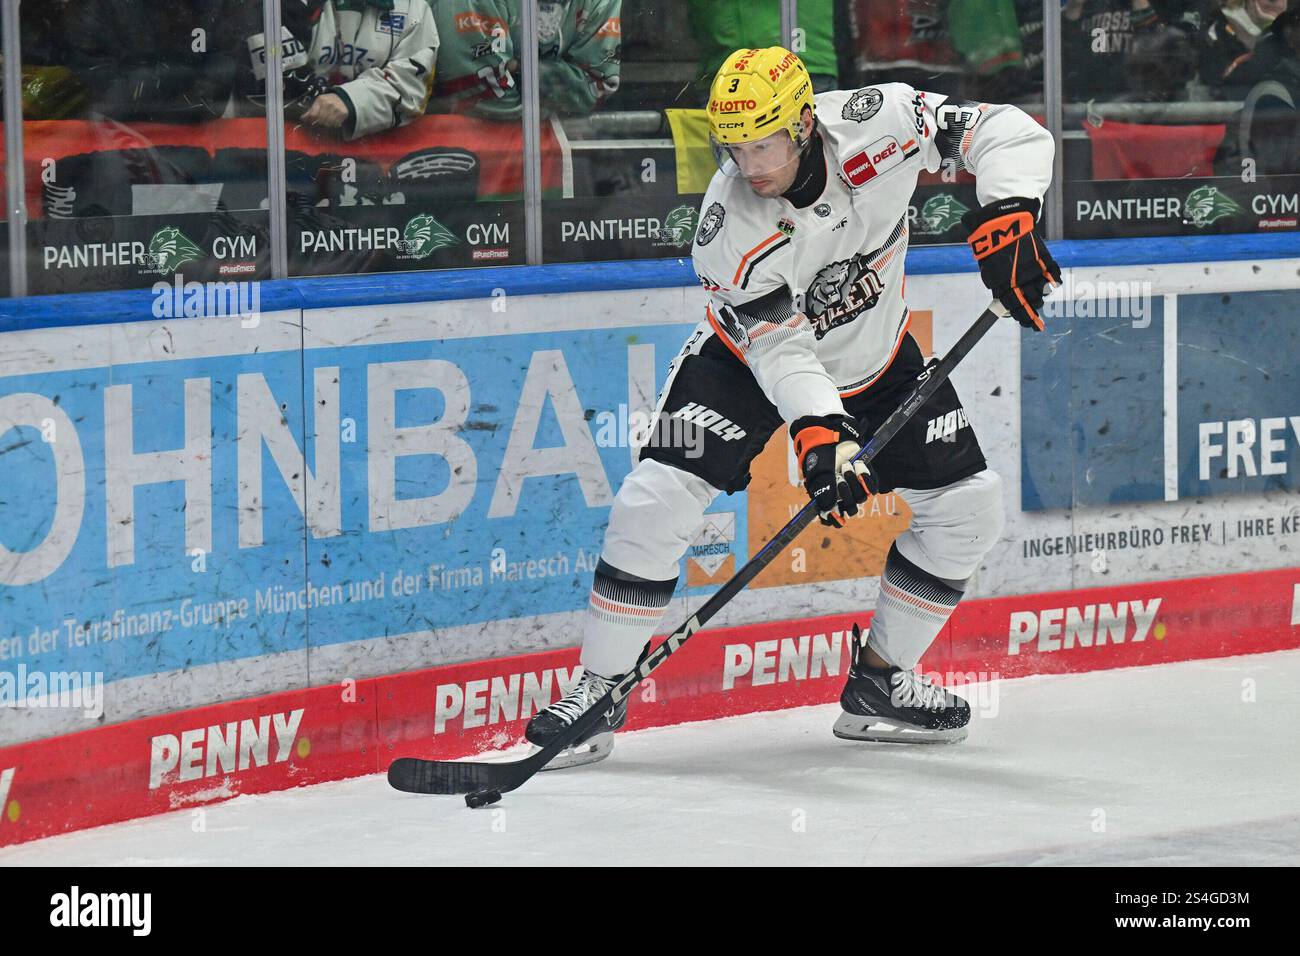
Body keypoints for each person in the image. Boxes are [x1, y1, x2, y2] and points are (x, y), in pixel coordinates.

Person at [525, 46, 1060, 766]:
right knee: (655, 499)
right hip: (745, 363)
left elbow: (1010, 131)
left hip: (876, 358)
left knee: (970, 509)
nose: (749, 165)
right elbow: (779, 349)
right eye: (733, 147)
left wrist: (1011, 214)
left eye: (763, 143)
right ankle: (595, 692)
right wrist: (821, 435)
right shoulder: (729, 225)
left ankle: (881, 684)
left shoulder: (885, 122)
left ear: (805, 122)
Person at [426, 0, 621, 119]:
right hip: (461, 147)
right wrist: (557, 97)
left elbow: (598, 85)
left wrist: (519, 69)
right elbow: (475, 94)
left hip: (552, 156)